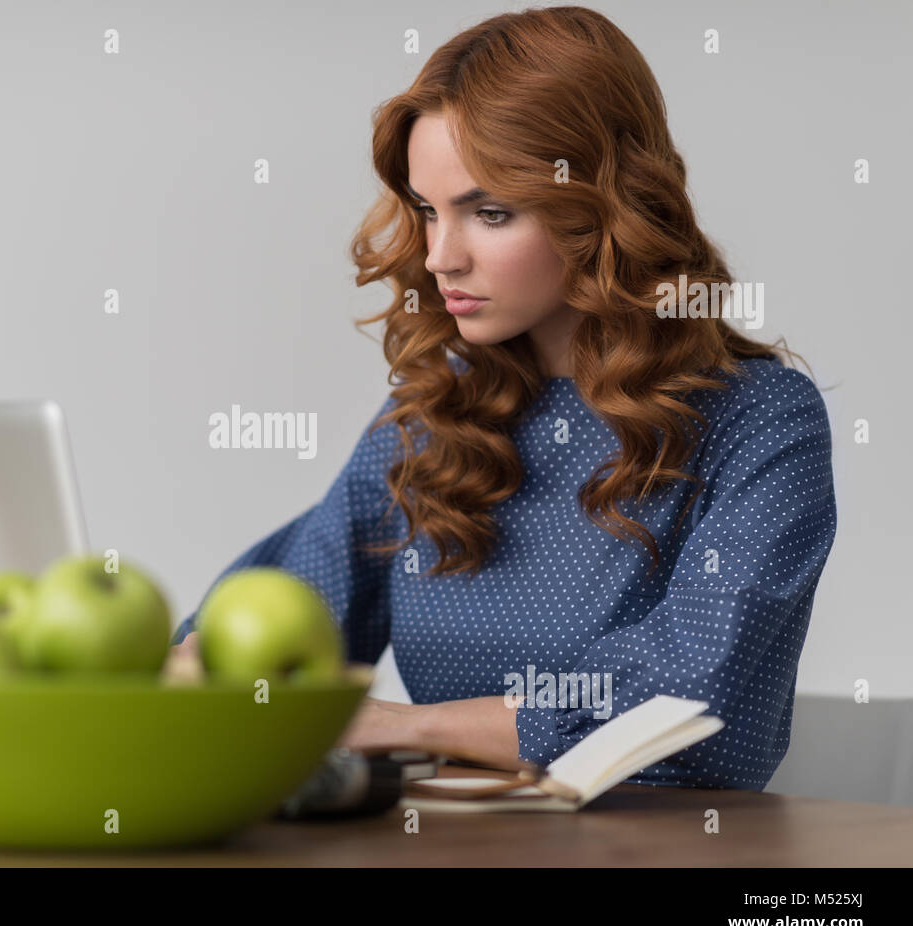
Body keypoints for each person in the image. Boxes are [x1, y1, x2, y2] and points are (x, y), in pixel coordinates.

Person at [170, 6, 836, 790]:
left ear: (602, 206)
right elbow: (268, 618)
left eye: (490, 212)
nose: (441, 256)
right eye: (426, 210)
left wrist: (404, 727)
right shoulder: (432, 423)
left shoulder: (761, 422)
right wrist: (182, 668)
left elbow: (685, 692)